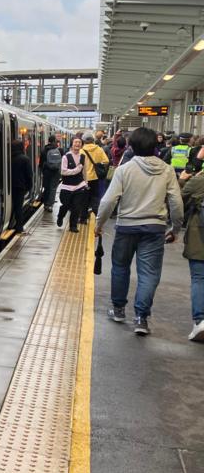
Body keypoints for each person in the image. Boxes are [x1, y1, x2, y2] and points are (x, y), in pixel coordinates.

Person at [96, 127, 184, 336]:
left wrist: (99, 224)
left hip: (126, 226)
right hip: (155, 228)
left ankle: (118, 310)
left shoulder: (124, 170)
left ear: (131, 146)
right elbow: (176, 202)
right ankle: (141, 318)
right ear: (155, 146)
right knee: (149, 273)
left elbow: (108, 201)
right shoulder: (167, 170)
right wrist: (176, 228)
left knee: (120, 267)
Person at [179, 168, 204, 342]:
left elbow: (178, 199)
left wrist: (182, 180)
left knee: (199, 278)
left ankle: (200, 321)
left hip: (200, 238)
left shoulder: (199, 181)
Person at [57, 138, 88, 233]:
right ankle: (60, 216)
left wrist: (86, 182)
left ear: (81, 145)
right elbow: (63, 171)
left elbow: (84, 170)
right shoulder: (66, 157)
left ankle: (73, 226)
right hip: (67, 186)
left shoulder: (83, 156)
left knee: (76, 207)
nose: (77, 144)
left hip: (79, 186)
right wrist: (76, 170)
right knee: (65, 205)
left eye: (79, 142)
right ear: (71, 144)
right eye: (75, 142)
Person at [81, 131, 110, 217]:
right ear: (93, 140)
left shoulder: (81, 151)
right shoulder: (99, 149)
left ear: (84, 141)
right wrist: (98, 164)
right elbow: (106, 161)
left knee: (84, 197)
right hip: (95, 177)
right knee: (95, 196)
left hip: (85, 178)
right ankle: (95, 213)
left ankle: (84, 216)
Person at [11, 141, 32, 232]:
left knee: (12, 205)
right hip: (20, 187)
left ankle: (10, 223)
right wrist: (29, 187)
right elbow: (29, 175)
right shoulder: (25, 159)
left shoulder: (8, 158)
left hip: (9, 187)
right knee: (18, 207)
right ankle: (19, 227)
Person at [41, 136, 62, 212]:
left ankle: (45, 204)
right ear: (54, 141)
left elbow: (41, 163)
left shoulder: (44, 150)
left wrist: (43, 171)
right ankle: (50, 205)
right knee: (53, 188)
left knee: (46, 188)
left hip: (47, 172)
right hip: (56, 172)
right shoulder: (58, 150)